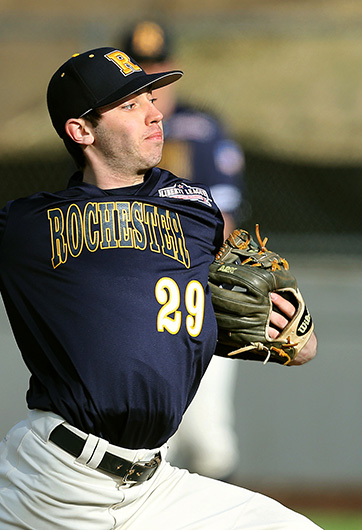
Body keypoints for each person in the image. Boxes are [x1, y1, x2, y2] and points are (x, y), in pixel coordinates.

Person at [0, 41, 320, 529]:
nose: (154, 114)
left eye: (151, 99)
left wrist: (284, 333)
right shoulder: (31, 227)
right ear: (81, 130)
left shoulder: (195, 208)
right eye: (131, 104)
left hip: (152, 489)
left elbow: (203, 319)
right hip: (51, 486)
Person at [120, 20, 246, 481]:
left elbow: (226, 223)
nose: (151, 78)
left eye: (157, 66)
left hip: (195, 300)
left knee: (210, 444)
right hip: (136, 305)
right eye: (139, 67)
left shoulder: (201, 127)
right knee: (148, 448)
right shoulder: (108, 134)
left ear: (172, 69)